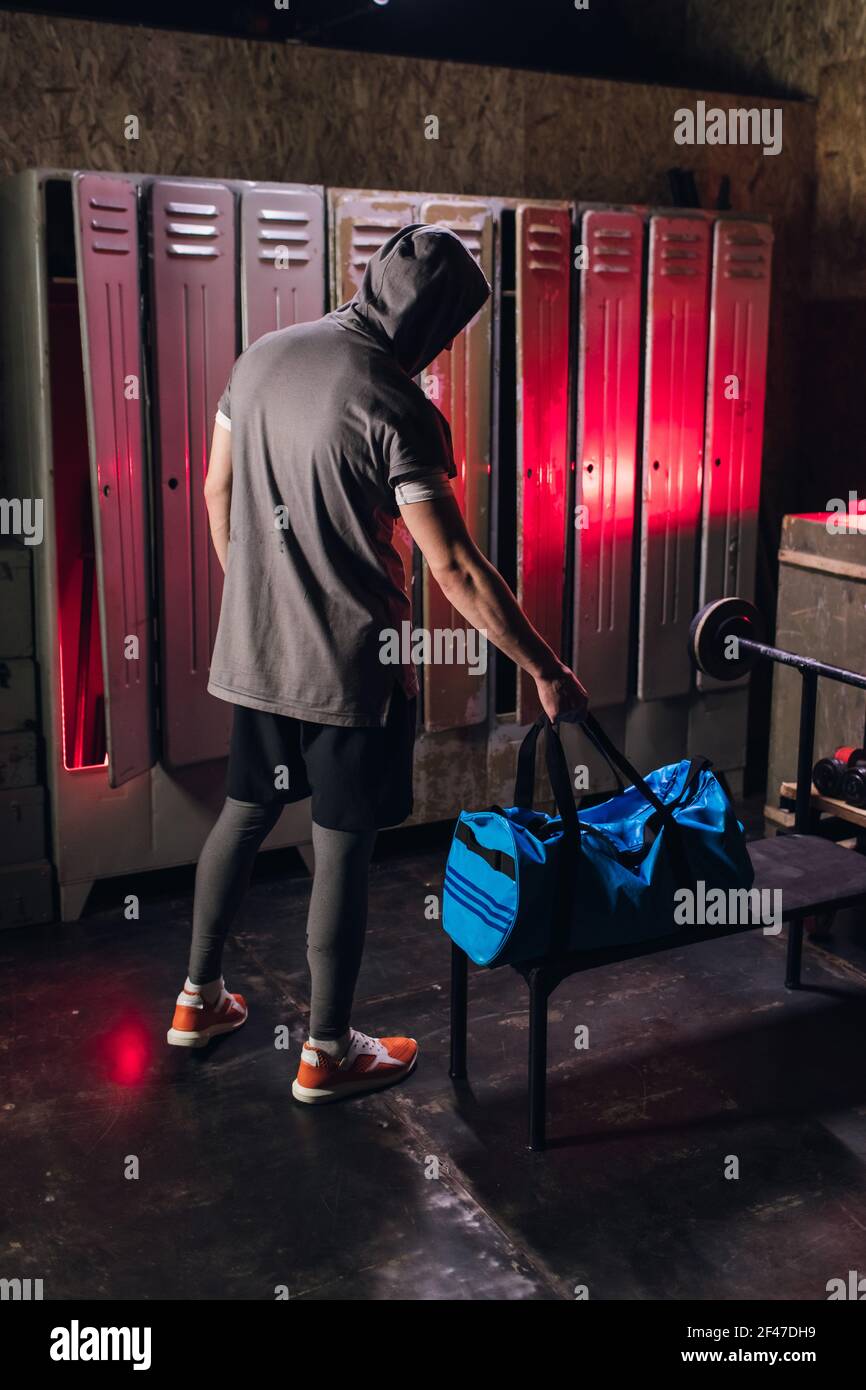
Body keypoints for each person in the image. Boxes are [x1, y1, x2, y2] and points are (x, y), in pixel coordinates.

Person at [166, 224, 588, 1103]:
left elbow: (216, 489)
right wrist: (543, 668)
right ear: (430, 321)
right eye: (446, 331)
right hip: (351, 671)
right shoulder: (396, 407)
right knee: (342, 849)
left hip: (257, 655)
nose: (442, 349)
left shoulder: (260, 358)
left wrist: (258, 597)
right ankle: (326, 1051)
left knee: (243, 816)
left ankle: (195, 1002)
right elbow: (457, 566)